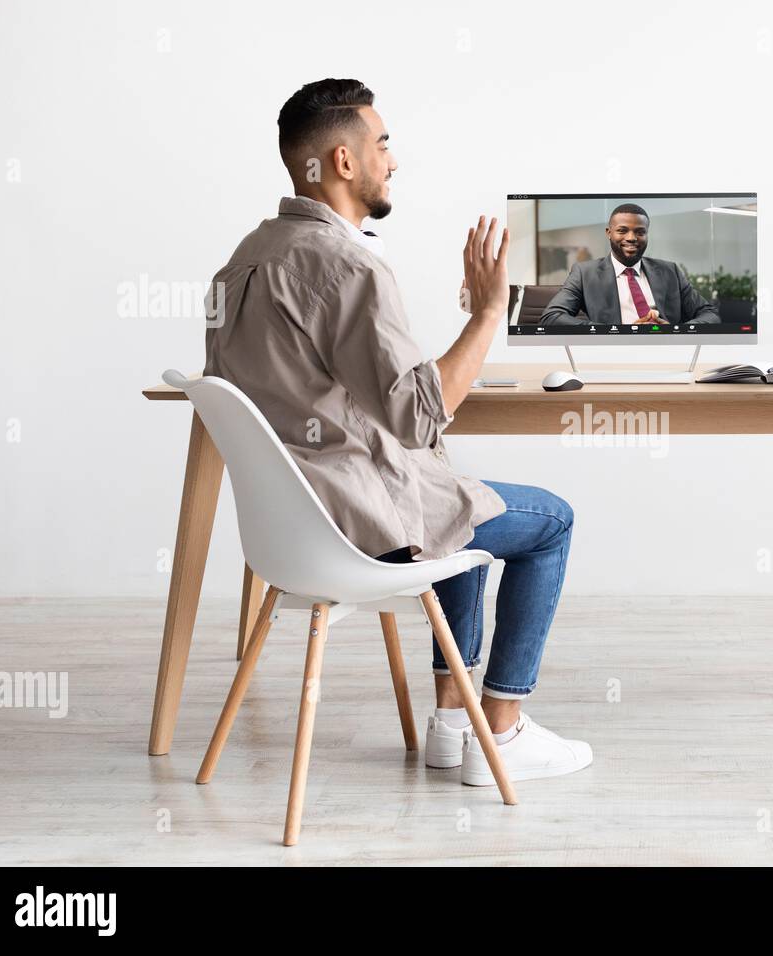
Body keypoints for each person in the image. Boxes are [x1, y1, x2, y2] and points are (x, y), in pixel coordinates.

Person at [203, 78, 591, 785]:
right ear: (344, 162)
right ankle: (501, 730)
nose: (393, 159)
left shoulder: (242, 260)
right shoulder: (347, 265)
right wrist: (488, 314)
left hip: (288, 534)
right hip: (363, 528)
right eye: (382, 143)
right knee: (547, 521)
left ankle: (451, 726)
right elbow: (421, 414)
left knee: (453, 495)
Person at [538, 203, 721, 327]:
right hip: (612, 353)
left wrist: (675, 330)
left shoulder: (669, 271)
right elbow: (551, 317)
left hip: (667, 350)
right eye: (622, 231)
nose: (631, 238)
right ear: (609, 233)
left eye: (640, 232)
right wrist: (619, 331)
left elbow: (710, 314)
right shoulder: (585, 273)